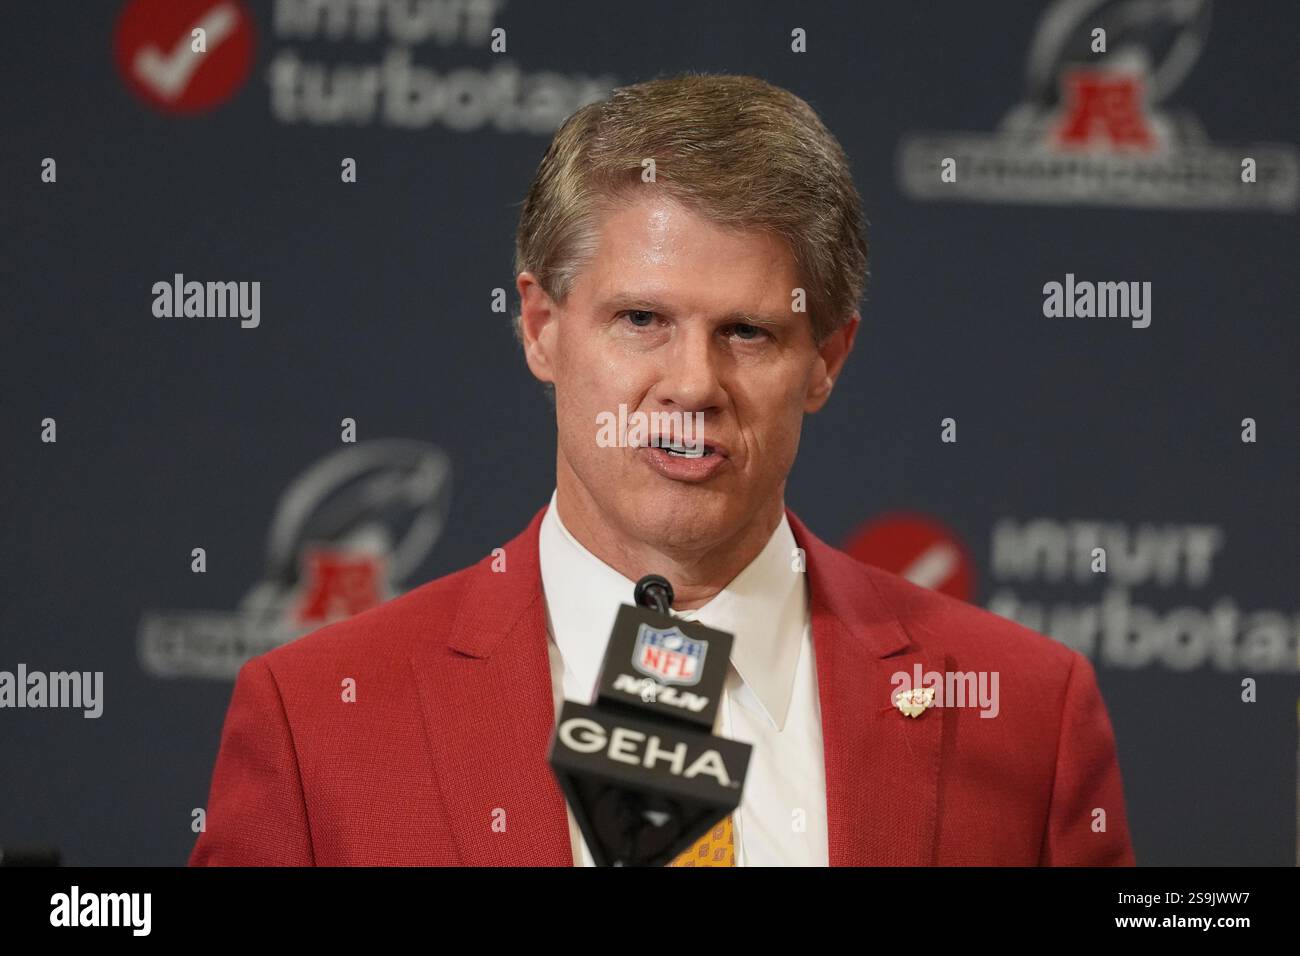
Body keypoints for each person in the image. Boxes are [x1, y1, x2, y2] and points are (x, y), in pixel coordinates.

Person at [190, 72, 1134, 866]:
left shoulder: (1026, 712)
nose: (693, 384)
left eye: (749, 332)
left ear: (827, 360)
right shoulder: (318, 718)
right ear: (541, 326)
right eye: (642, 320)